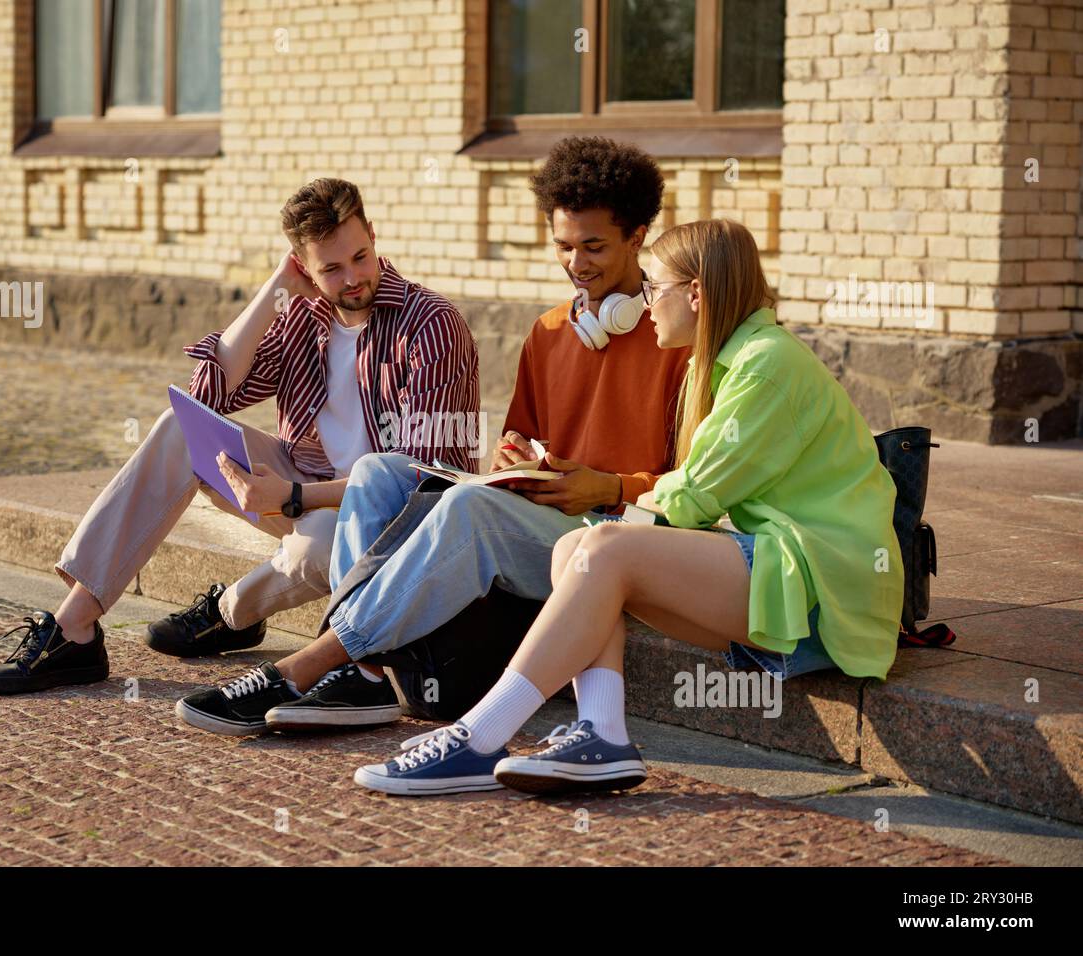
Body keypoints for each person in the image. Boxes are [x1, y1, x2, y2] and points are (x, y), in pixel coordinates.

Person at [351, 218, 905, 796]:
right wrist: (600, 515)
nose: (646, 305)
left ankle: (478, 737)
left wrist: (607, 503)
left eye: (654, 288)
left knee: (603, 548)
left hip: (825, 591)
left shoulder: (766, 364)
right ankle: (602, 733)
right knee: (574, 548)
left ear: (695, 294)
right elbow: (688, 497)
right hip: (782, 566)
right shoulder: (726, 359)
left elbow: (691, 500)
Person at [174, 136, 692, 734]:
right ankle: (364, 682)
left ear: (638, 236)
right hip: (545, 524)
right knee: (378, 470)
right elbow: (515, 444)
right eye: (564, 246)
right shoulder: (549, 332)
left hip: (620, 533)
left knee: (471, 506)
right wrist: (519, 459)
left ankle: (318, 664)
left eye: (594, 246)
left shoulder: (677, 339)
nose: (577, 264)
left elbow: (698, 491)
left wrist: (607, 485)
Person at [0, 178, 479, 697]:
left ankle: (229, 610)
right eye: (330, 268)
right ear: (304, 266)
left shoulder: (431, 326)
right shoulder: (303, 316)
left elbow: (424, 477)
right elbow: (208, 396)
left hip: (380, 517)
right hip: (296, 486)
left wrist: (293, 498)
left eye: (360, 256)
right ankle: (75, 629)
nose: (352, 278)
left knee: (321, 545)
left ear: (374, 236)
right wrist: (273, 292)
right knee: (178, 429)